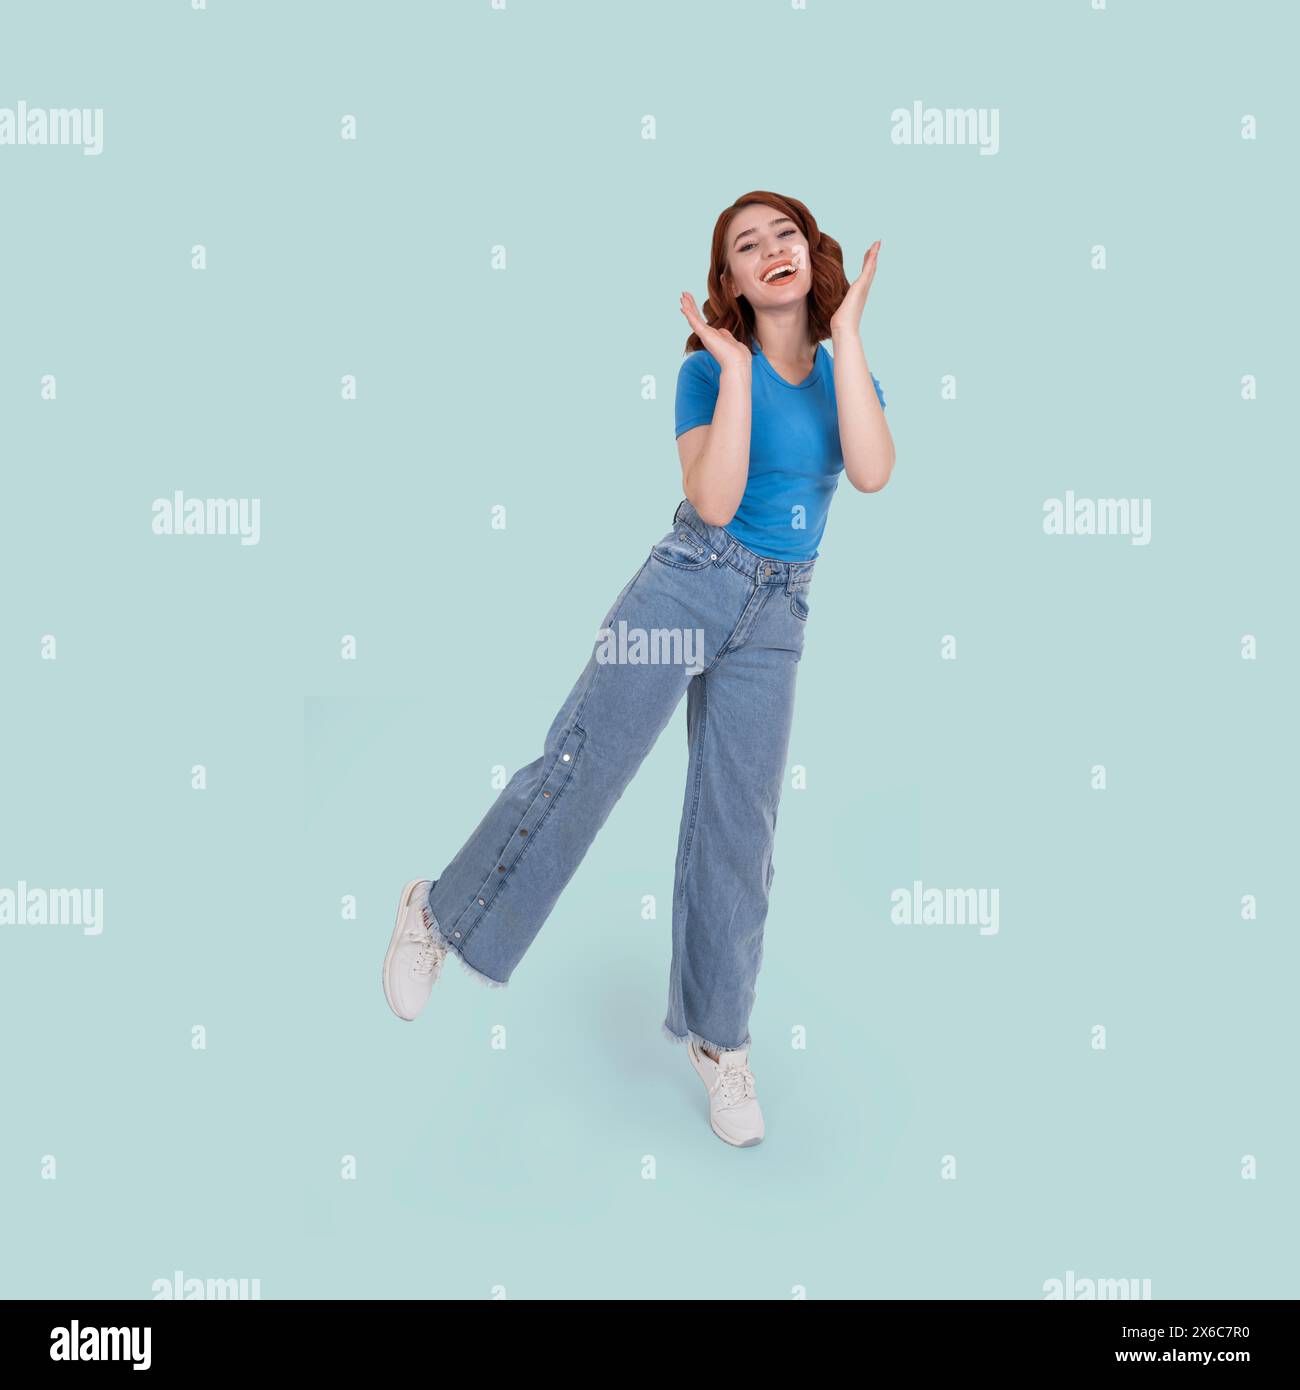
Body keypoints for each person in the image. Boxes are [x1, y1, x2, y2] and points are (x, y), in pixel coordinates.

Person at [382, 190, 895, 1148]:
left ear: (809, 253)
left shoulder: (843, 374)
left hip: (780, 611)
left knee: (740, 825)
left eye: (784, 232)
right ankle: (440, 914)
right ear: (732, 282)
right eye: (747, 245)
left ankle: (719, 1040)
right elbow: (713, 501)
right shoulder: (708, 371)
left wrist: (850, 332)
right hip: (690, 586)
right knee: (587, 764)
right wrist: (738, 374)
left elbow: (870, 471)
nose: (770, 249)